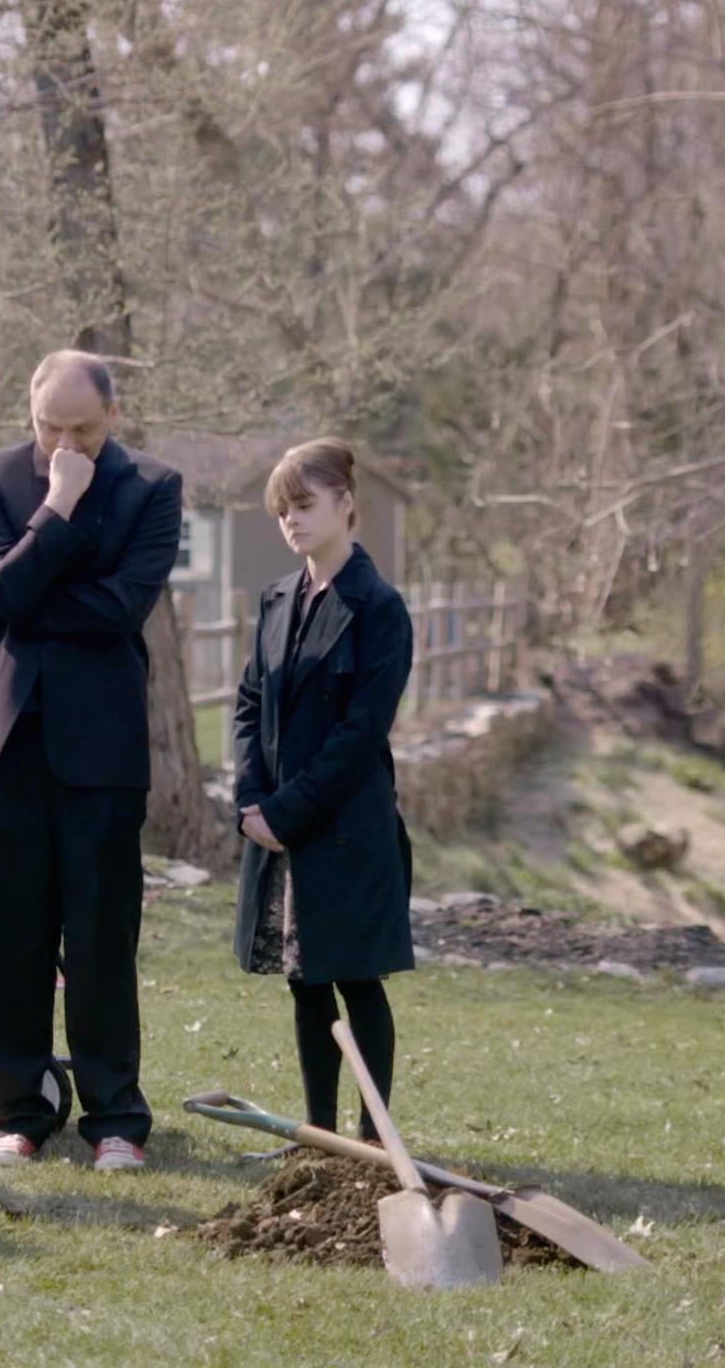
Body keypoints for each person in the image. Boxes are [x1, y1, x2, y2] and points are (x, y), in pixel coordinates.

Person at [0, 350, 183, 1171]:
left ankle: (115, 1119)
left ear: (110, 417)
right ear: (30, 410)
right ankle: (13, 1114)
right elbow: (5, 592)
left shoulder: (153, 488)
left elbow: (121, 607)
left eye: (80, 429)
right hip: (2, 743)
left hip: (100, 748)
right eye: (49, 425)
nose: (63, 442)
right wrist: (56, 506)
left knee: (99, 938)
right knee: (9, 937)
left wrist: (20, 581)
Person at [230, 438, 415, 1143]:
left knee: (355, 980)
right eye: (282, 510)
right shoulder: (277, 599)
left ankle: (373, 1139)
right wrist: (252, 800)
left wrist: (285, 812)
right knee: (303, 981)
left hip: (343, 827)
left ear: (345, 503)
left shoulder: (378, 607)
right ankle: (317, 1132)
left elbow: (361, 733)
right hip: (276, 826)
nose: (292, 521)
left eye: (304, 505)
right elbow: (249, 702)